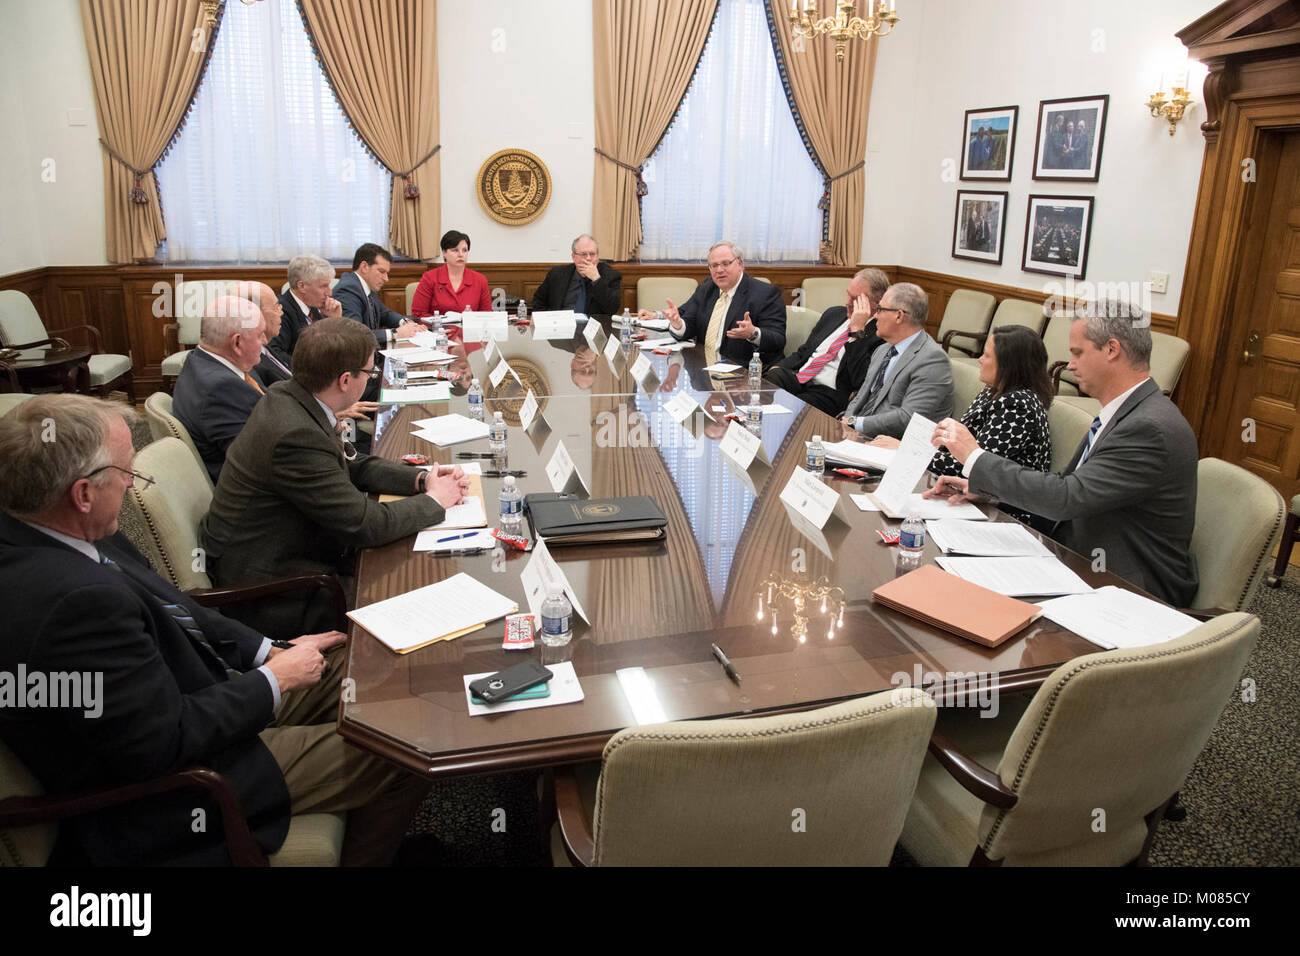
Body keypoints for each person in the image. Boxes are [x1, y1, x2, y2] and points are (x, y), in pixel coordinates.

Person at [0, 394, 430, 866]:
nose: (130, 484)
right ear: (82, 494)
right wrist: (277, 679)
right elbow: (161, 743)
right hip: (187, 781)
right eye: (126, 474)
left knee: (382, 667)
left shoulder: (59, 528)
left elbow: (179, 607)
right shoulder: (70, 602)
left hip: (212, 692)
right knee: (406, 747)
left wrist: (268, 651)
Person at [200, 318, 470, 638]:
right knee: (425, 596)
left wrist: (423, 479)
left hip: (294, 551)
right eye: (369, 373)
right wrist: (437, 500)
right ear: (345, 380)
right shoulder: (294, 433)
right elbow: (364, 524)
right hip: (277, 592)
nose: (370, 378)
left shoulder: (290, 396)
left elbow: (353, 464)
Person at [923, 301, 1199, 606]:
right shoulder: (1128, 413)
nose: (1069, 365)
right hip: (1079, 556)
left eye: (1078, 353)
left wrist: (974, 457)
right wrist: (987, 490)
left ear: (1111, 350)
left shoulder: (1149, 428)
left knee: (959, 600)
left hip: (1122, 586)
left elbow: (1066, 498)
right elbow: (1069, 485)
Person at [870, 324, 1053, 526]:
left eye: (987, 356)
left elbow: (977, 467)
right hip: (973, 496)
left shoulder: (1019, 408)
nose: (980, 360)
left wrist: (906, 451)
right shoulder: (993, 390)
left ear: (1009, 365)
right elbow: (958, 449)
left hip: (1004, 514)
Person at [637, 241, 786, 368]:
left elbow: (778, 340)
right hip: (704, 367)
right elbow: (689, 323)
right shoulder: (708, 288)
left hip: (743, 373)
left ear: (740, 264)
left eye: (726, 264)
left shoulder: (765, 293)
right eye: (713, 266)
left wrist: (753, 333)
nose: (719, 270)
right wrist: (678, 325)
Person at [762, 268, 887, 416]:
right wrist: (777, 368)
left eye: (855, 299)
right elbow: (804, 352)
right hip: (800, 378)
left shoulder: (881, 334)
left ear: (876, 303)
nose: (847, 302)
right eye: (848, 295)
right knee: (768, 381)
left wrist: (857, 331)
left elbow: (860, 380)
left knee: (791, 407)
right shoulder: (833, 314)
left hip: (829, 391)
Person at [171, 296, 268, 482]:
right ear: (237, 343)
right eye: (260, 334)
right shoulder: (223, 389)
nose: (265, 340)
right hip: (247, 493)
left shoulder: (198, 360)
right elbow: (261, 461)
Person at [841, 282, 953, 439]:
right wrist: (847, 423)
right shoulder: (883, 350)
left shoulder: (933, 360)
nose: (875, 315)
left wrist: (855, 423)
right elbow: (861, 396)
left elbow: (908, 418)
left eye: (880, 310)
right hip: (858, 434)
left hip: (889, 444)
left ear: (899, 315)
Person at [335, 242, 423, 348]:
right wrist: (395, 333)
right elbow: (355, 335)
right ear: (364, 267)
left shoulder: (366, 286)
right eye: (382, 272)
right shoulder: (348, 290)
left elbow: (385, 314)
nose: (386, 279)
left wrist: (406, 323)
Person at [268, 255, 343, 367]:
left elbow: (329, 348)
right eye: (323, 286)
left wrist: (334, 321)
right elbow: (275, 355)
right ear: (302, 286)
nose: (329, 293)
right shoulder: (280, 311)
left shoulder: (314, 308)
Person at [531, 234, 622, 316]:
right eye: (583, 254)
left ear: (597, 257)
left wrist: (596, 280)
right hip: (560, 327)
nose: (588, 258)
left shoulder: (611, 275)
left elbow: (612, 309)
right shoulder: (557, 274)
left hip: (591, 330)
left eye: (592, 254)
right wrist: (550, 320)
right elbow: (538, 301)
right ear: (573, 257)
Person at [410, 230, 491, 316]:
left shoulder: (480, 280)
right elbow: (418, 314)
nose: (461, 254)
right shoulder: (429, 278)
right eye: (455, 250)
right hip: (437, 328)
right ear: (444, 253)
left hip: (469, 328)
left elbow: (486, 315)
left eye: (464, 250)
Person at [234, 280, 291, 385]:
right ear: (253, 313)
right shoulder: (249, 362)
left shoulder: (264, 346)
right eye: (276, 307)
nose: (281, 312)